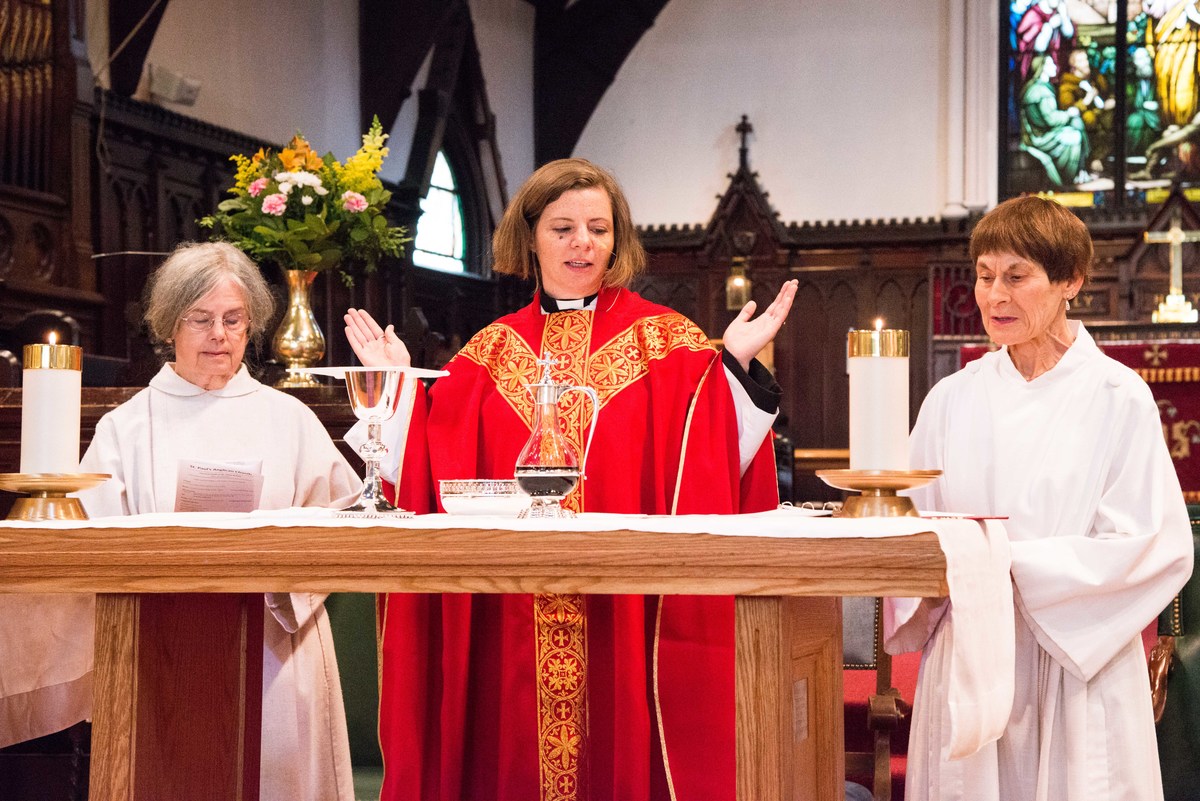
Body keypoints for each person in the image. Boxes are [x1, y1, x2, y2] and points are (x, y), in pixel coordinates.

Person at [344, 157, 797, 801]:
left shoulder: (665, 343)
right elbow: (429, 467)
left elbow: (713, 458)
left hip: (624, 612)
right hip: (512, 613)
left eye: (599, 227)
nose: (584, 242)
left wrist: (733, 370)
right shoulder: (489, 352)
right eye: (563, 228)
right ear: (530, 238)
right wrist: (399, 389)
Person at [885, 196, 1193, 801]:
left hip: (1077, 664)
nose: (994, 296)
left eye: (1017, 276)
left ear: (1070, 281)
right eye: (984, 275)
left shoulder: (1115, 396)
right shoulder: (951, 398)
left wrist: (1000, 564)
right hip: (971, 657)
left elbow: (1151, 544)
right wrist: (932, 568)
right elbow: (911, 526)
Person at [74, 241, 361, 801]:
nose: (219, 335)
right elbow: (96, 539)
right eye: (201, 320)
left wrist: (282, 587)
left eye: (233, 320)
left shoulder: (289, 418)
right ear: (168, 325)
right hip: (161, 648)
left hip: (276, 641)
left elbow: (339, 524)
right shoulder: (126, 427)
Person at [1020, 54, 1090, 186]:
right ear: (1042, 68)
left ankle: (1080, 171)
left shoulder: (1040, 87)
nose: (1054, 67)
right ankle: (1068, 179)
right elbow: (1051, 120)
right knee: (1075, 136)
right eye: (1051, 64)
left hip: (1044, 132)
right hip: (1040, 137)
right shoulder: (1041, 91)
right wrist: (1069, 113)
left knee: (1077, 124)